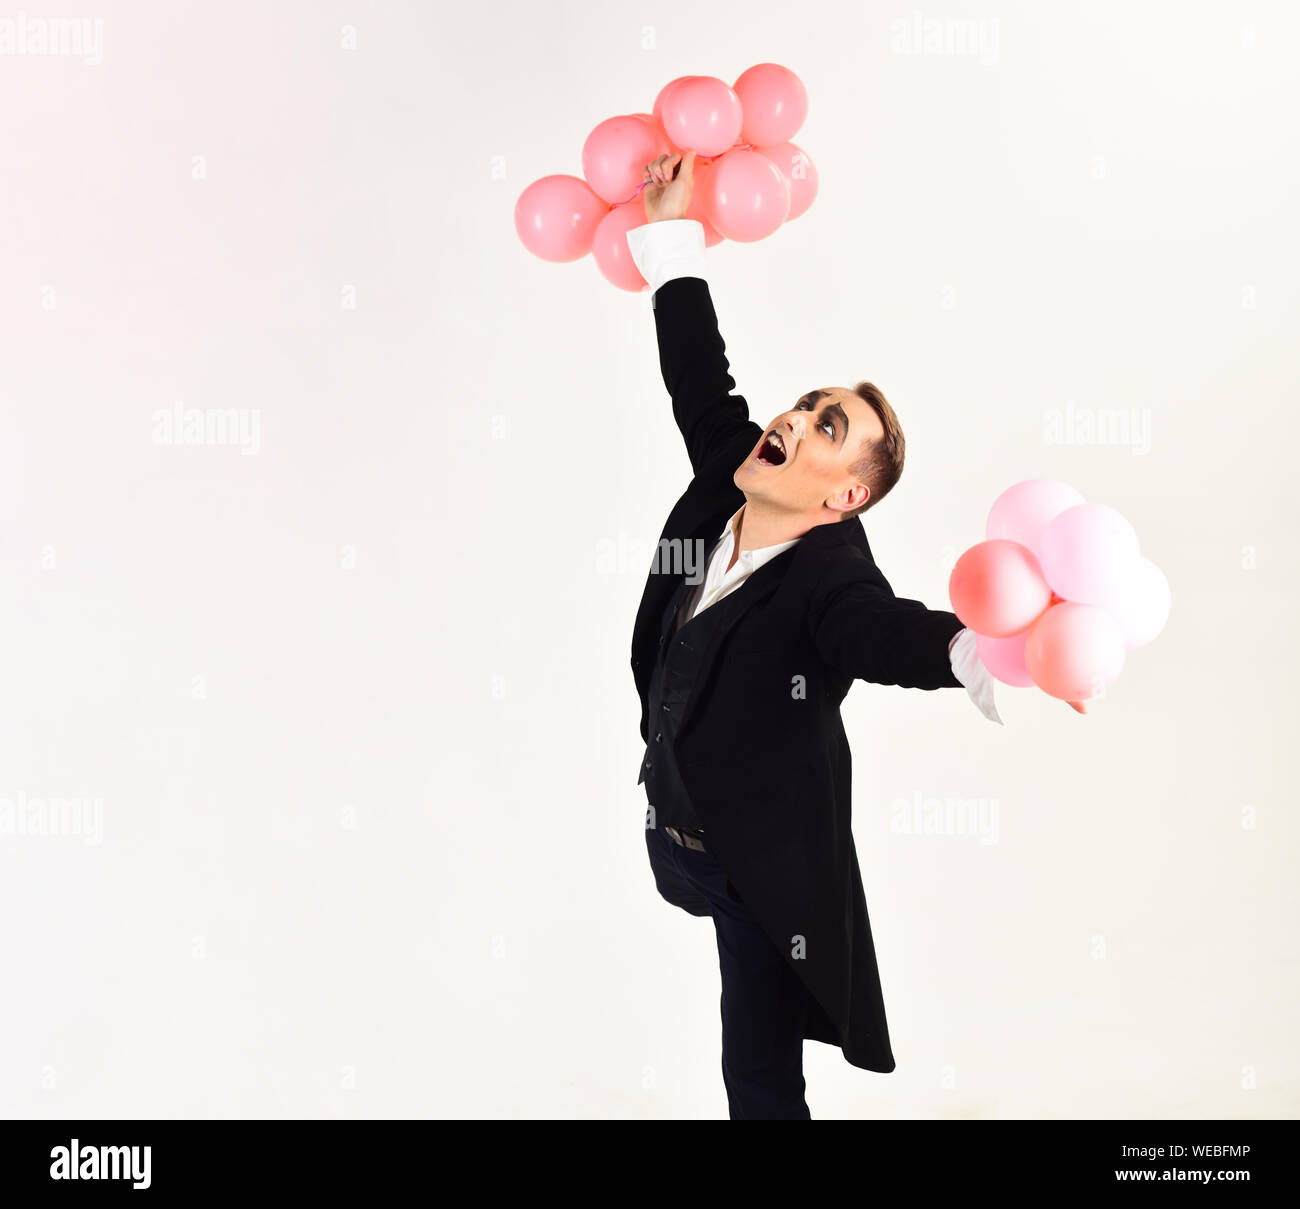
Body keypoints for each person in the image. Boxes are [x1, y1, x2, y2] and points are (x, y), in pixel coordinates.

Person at [625, 151, 1087, 1120]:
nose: (794, 414)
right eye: (807, 401)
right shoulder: (731, 473)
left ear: (844, 497)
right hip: (673, 837)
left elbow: (885, 636)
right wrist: (672, 236)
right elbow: (697, 373)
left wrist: (1001, 645)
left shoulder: (830, 580)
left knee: (755, 1075)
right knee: (737, 1031)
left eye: (825, 423)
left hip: (754, 867)